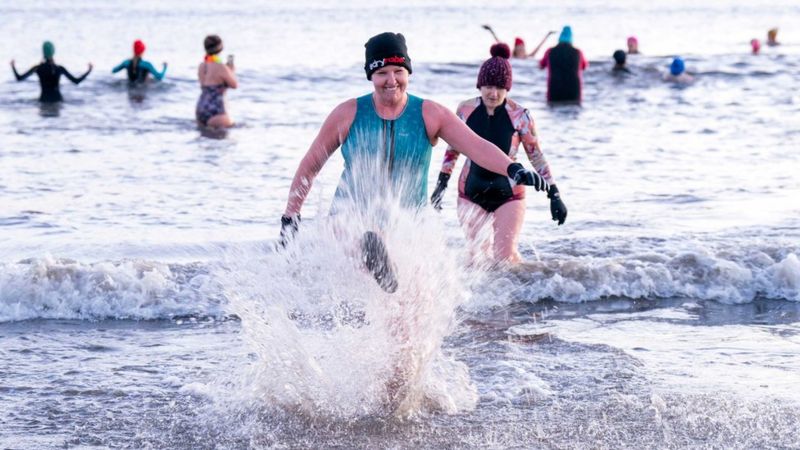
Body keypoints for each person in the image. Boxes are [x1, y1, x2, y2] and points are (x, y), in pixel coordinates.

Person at [280, 32, 550, 284]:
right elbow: (311, 164)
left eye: (399, 71)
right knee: (348, 231)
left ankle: (387, 276)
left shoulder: (429, 114)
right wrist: (290, 217)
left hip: (407, 224)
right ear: (370, 75)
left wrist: (512, 168)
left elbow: (476, 146)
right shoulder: (347, 113)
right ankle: (370, 252)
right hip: (351, 217)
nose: (392, 80)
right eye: (382, 72)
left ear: (408, 72)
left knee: (408, 306)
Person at [430, 43, 566, 264]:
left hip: (509, 193)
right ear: (479, 86)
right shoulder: (465, 110)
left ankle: (523, 296)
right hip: (470, 192)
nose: (493, 93)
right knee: (476, 259)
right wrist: (441, 185)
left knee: (506, 257)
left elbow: (536, 155)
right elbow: (452, 149)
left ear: (508, 89)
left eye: (500, 88)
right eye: (488, 87)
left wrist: (555, 194)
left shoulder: (521, 115)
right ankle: (485, 299)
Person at [10, 41, 92, 103]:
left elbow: (19, 78)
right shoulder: (59, 68)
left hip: (43, 100)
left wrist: (13, 66)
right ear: (53, 52)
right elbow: (76, 81)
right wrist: (89, 70)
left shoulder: (37, 68)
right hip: (58, 101)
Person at [539, 26, 589, 103]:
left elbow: (541, 65)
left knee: (553, 110)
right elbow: (584, 66)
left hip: (554, 89)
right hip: (574, 90)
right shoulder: (578, 52)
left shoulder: (549, 51)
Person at [196, 34, 237, 128]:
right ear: (220, 48)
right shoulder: (221, 67)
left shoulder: (202, 66)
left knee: (205, 137)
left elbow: (204, 85)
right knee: (225, 137)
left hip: (202, 106)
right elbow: (234, 85)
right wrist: (231, 71)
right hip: (217, 108)